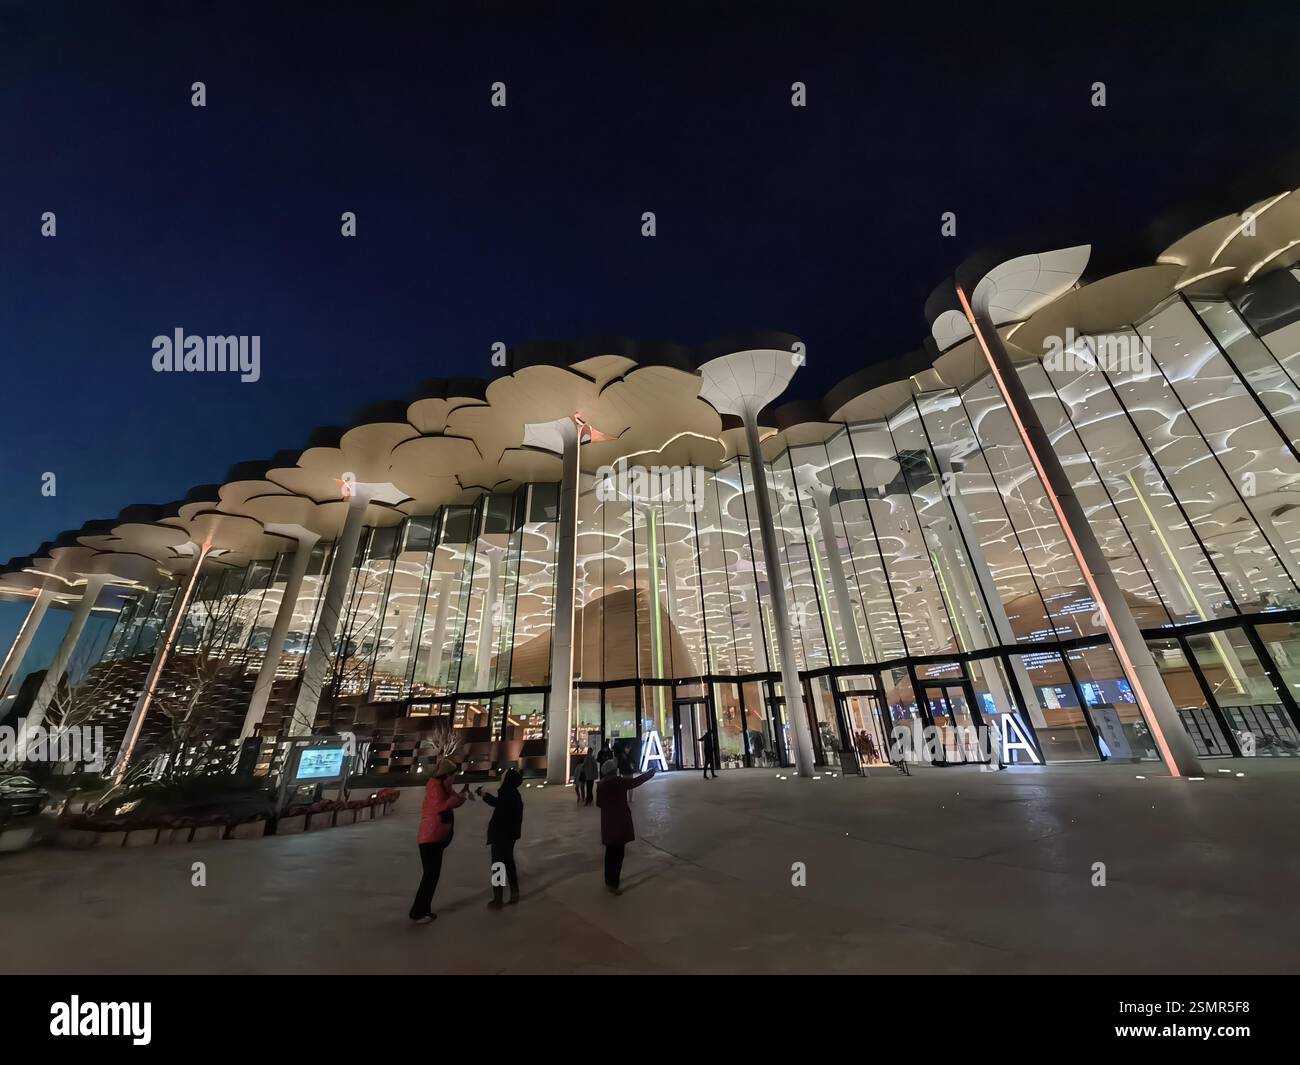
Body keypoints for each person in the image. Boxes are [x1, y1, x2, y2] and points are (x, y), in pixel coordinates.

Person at [410, 757, 471, 923]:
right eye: (453, 775)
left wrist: (463, 796)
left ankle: (424, 910)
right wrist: (460, 797)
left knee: (432, 876)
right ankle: (418, 912)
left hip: (437, 837)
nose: (454, 778)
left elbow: (454, 800)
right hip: (430, 838)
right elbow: (441, 806)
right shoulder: (435, 788)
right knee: (430, 876)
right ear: (446, 775)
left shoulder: (444, 786)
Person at [595, 758, 655, 895]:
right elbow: (635, 782)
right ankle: (614, 884)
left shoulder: (601, 785)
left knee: (610, 853)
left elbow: (599, 804)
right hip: (620, 820)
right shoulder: (619, 782)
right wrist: (649, 774)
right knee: (618, 854)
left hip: (607, 822)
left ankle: (608, 880)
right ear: (613, 770)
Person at [477, 767, 523, 907]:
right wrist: (485, 795)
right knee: (508, 863)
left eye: (503, 777)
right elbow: (498, 804)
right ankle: (514, 892)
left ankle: (498, 898)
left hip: (501, 835)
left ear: (507, 780)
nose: (501, 779)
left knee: (498, 865)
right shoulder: (513, 793)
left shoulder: (508, 794)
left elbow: (501, 810)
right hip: (510, 835)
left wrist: (495, 833)